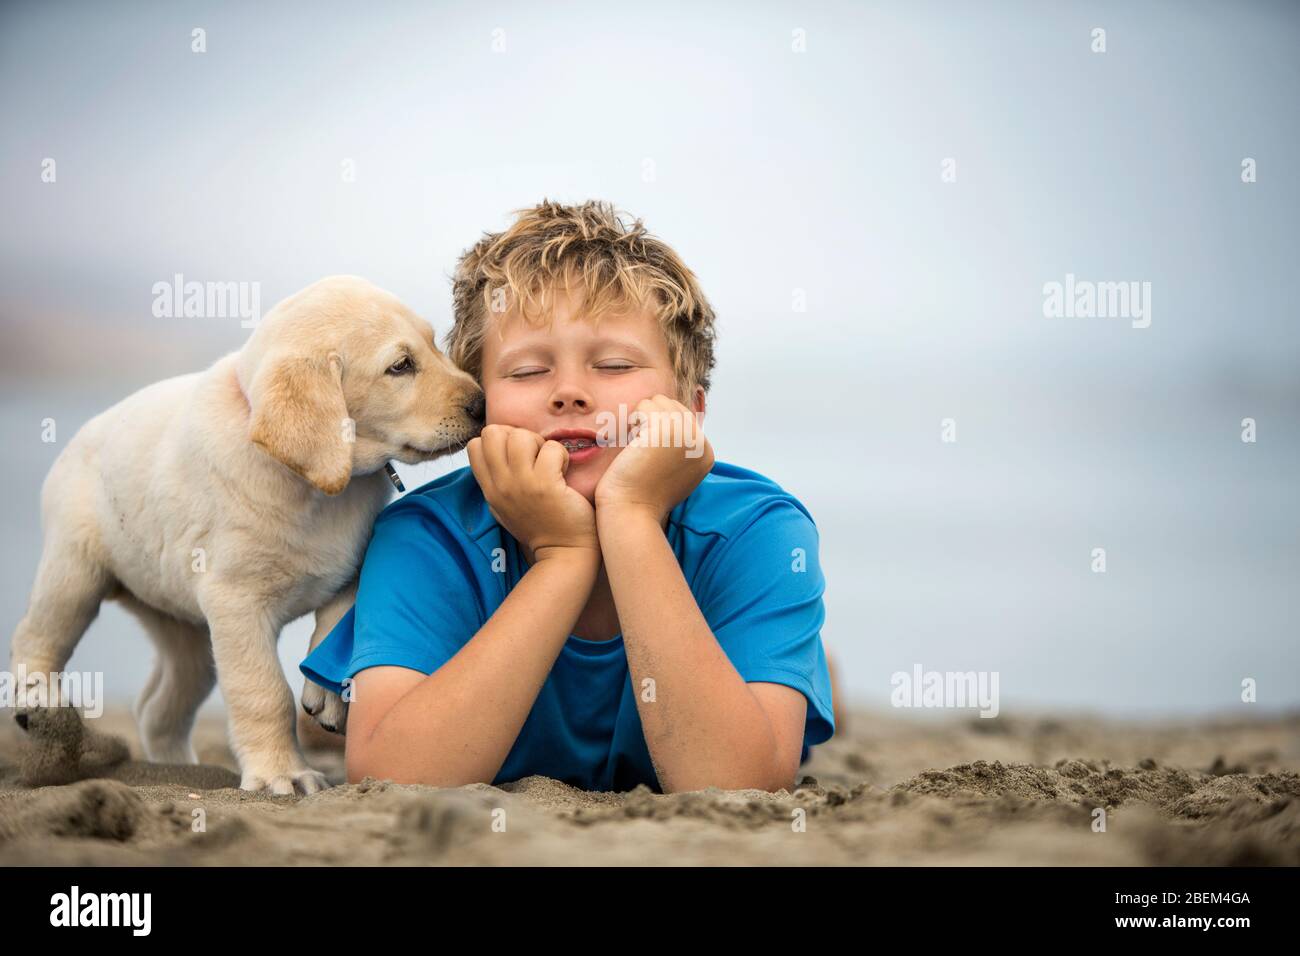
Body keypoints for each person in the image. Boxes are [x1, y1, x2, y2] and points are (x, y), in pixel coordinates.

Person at [300, 199, 843, 793]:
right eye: (527, 372)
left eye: (612, 364)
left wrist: (632, 518)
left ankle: (807, 674)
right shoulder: (425, 537)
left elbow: (739, 785)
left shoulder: (760, 532)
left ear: (691, 408)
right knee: (333, 728)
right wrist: (562, 557)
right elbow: (392, 778)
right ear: (480, 408)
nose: (568, 393)